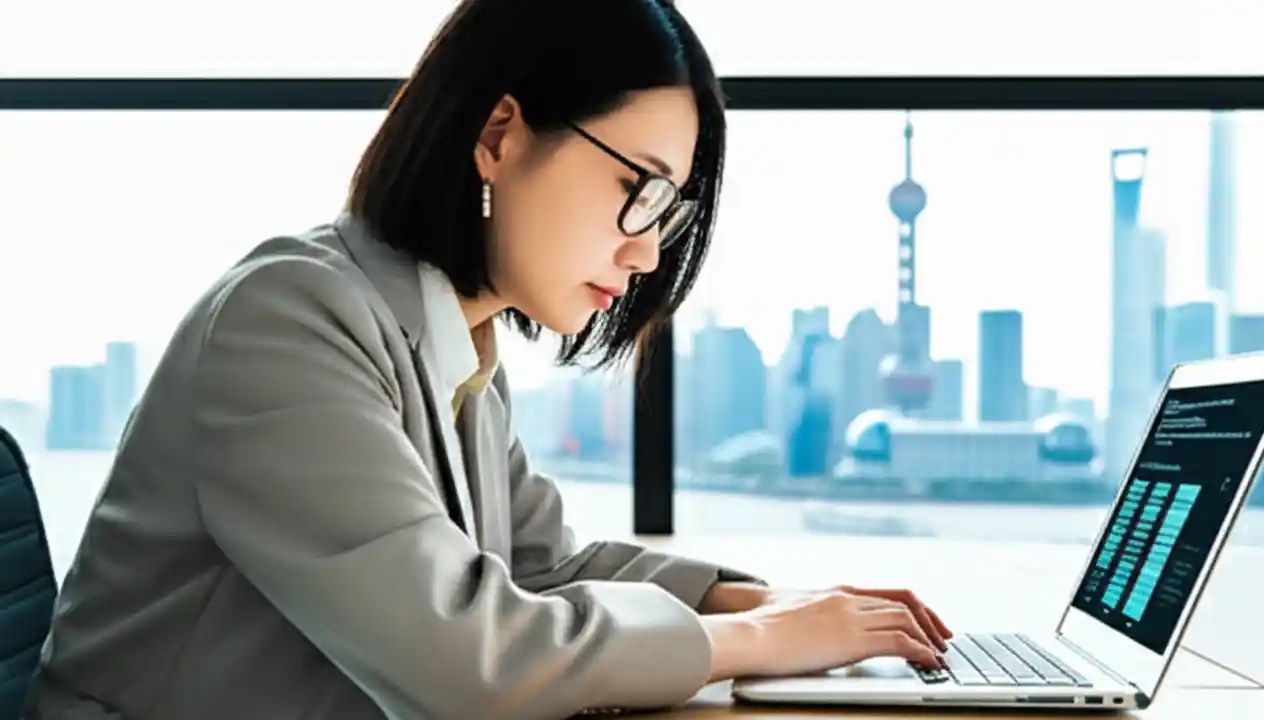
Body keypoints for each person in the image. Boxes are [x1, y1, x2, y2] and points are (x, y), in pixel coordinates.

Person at [25, 1, 952, 718]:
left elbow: (541, 567)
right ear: (499, 135)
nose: (645, 254)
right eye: (641, 191)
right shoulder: (288, 321)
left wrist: (770, 599)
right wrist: (755, 639)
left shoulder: (453, 343)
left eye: (668, 216)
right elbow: (471, 659)